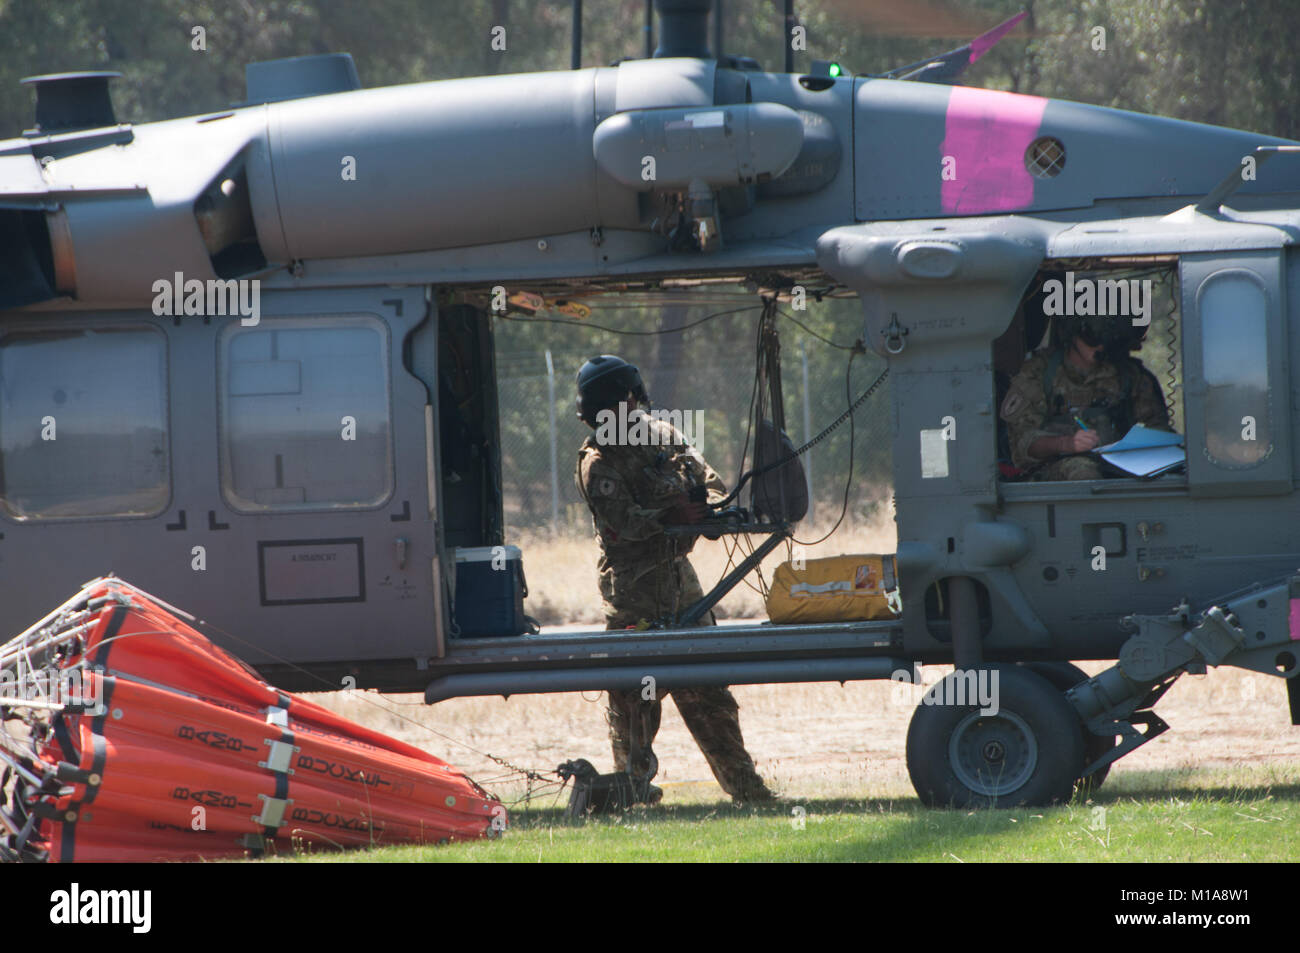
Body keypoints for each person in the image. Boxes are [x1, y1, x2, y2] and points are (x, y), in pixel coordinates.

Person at [573, 354, 774, 805]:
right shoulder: (597, 462)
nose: (633, 406)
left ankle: (748, 792)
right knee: (634, 703)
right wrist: (674, 516)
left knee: (710, 694)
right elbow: (622, 521)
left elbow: (710, 481)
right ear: (618, 402)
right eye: (625, 400)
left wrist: (714, 510)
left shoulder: (664, 437)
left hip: (683, 588)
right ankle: (631, 792)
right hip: (634, 596)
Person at [1000, 315, 1170, 481]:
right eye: (1092, 337)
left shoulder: (1129, 374)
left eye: (1107, 338)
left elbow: (1158, 428)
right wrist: (1066, 444)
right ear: (1073, 334)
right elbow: (1023, 442)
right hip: (1055, 470)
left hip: (1123, 467)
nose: (1100, 347)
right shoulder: (1039, 373)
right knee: (1082, 472)